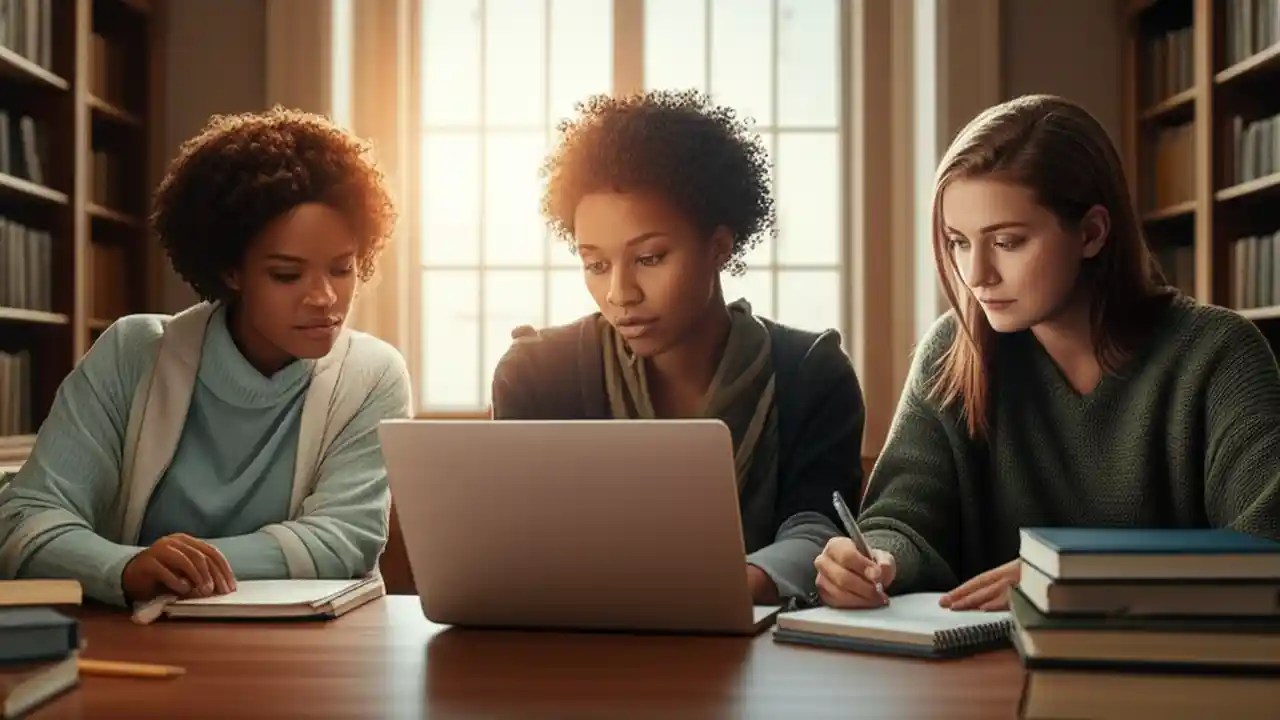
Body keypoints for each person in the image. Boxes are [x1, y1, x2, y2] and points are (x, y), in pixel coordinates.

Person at [815, 94, 1280, 611]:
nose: (976, 276)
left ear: (1092, 233)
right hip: (986, 674)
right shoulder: (953, 351)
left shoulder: (1219, 356)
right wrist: (874, 558)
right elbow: (902, 518)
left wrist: (1076, 572)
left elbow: (1267, 541)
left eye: (1008, 242)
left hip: (1174, 676)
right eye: (958, 242)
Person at [0, 108, 411, 607]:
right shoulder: (134, 354)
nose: (325, 297)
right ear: (230, 270)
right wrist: (125, 568)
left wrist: (169, 567)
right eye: (287, 275)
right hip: (139, 643)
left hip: (310, 654)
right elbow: (26, 520)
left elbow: (341, 543)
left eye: (343, 269)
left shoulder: (371, 375)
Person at [490, 90, 866, 605]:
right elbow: (519, 539)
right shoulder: (536, 373)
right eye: (596, 265)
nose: (620, 294)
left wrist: (719, 590)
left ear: (718, 247)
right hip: (576, 652)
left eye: (649, 257)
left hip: (765, 656)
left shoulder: (810, 372)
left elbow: (816, 530)